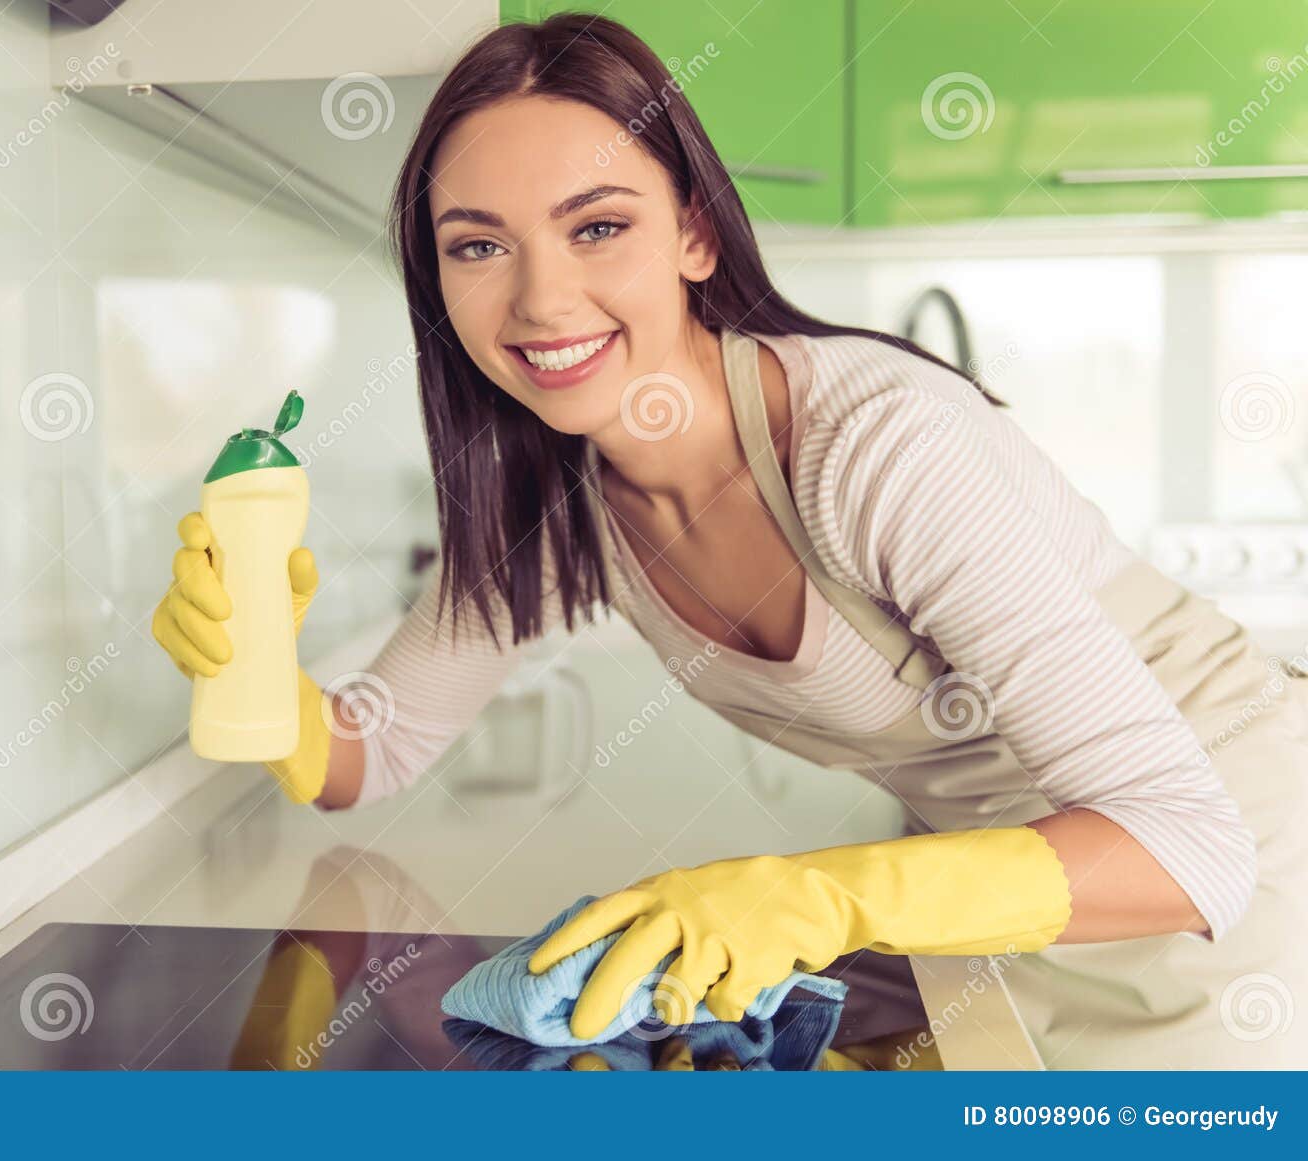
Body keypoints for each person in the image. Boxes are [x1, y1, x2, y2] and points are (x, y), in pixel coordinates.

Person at [152, 13, 1308, 1068]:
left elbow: (1186, 849)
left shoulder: (876, 447)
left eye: (597, 226)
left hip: (1229, 863)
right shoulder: (563, 497)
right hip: (990, 892)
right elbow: (370, 755)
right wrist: (256, 676)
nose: (543, 301)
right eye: (478, 246)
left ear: (695, 234)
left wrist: (809, 899)